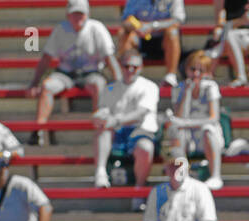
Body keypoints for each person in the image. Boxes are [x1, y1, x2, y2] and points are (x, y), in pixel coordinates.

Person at [29, 0, 120, 144]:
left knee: (99, 85)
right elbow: (46, 58)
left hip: (92, 72)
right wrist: (35, 83)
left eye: (81, 14)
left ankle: (100, 128)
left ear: (87, 14)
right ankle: (38, 130)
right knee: (47, 86)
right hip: (65, 73)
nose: (78, 18)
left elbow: (109, 58)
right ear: (68, 15)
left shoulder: (96, 28)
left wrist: (119, 82)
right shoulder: (61, 29)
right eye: (74, 14)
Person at [91, 49, 159, 189]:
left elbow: (141, 113)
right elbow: (103, 110)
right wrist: (99, 117)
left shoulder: (150, 87)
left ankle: (139, 188)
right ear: (120, 67)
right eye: (127, 66)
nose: (130, 70)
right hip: (117, 132)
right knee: (102, 130)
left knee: (145, 147)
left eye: (135, 67)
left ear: (141, 68)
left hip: (141, 131)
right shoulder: (109, 88)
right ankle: (100, 174)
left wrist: (115, 120)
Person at [164, 52, 225, 191]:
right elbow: (179, 116)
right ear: (186, 69)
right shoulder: (179, 88)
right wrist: (187, 93)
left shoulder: (211, 87)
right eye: (192, 69)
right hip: (187, 136)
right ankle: (181, 175)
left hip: (207, 135)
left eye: (200, 70)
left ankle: (216, 175)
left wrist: (185, 124)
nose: (196, 74)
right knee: (176, 131)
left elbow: (213, 117)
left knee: (208, 129)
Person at [143, 155, 217, 221]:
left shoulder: (200, 188)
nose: (176, 169)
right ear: (165, 168)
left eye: (179, 166)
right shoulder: (157, 191)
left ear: (187, 168)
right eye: (172, 165)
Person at [119, 0, 187, 89]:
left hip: (163, 40)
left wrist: (153, 26)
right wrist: (135, 26)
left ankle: (171, 76)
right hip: (141, 39)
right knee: (123, 33)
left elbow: (178, 20)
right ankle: (127, 73)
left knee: (172, 32)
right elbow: (125, 20)